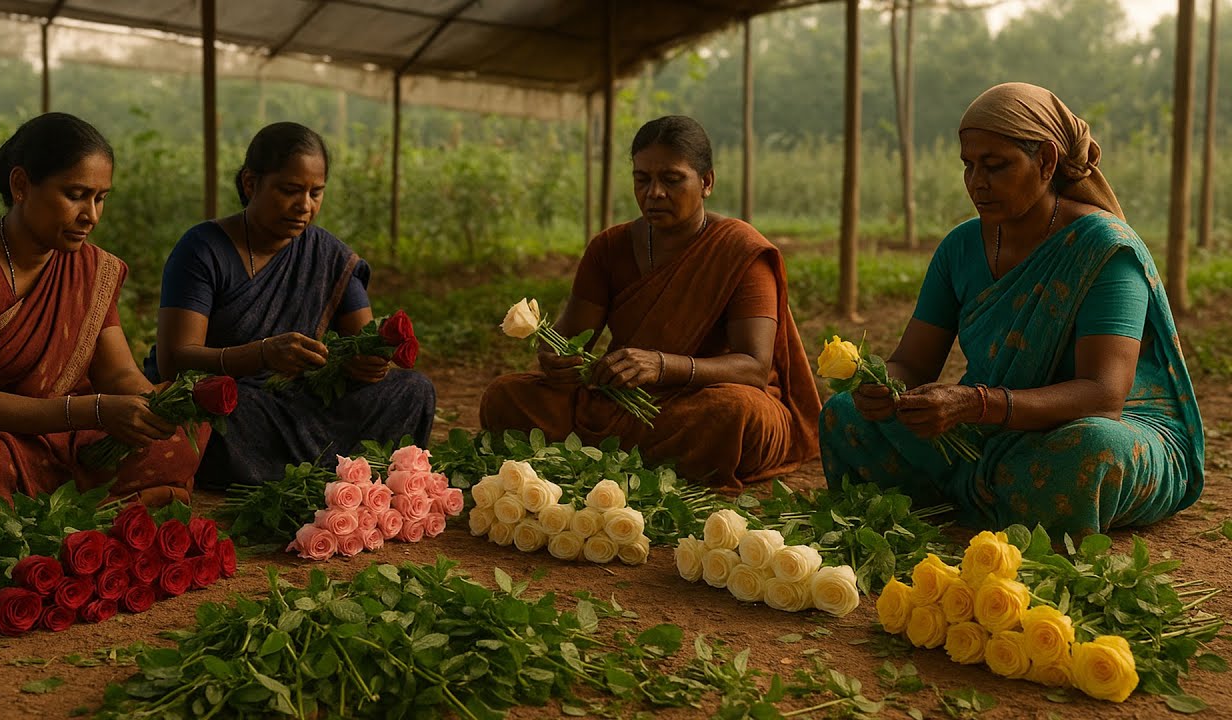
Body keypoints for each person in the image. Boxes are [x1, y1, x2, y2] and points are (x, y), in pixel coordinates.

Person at [819, 83, 1203, 539]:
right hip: (992, 427)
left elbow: (1103, 396)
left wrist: (974, 403)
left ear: (1045, 162)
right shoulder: (961, 247)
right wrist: (883, 387)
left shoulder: (1103, 250)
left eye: (996, 166)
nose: (977, 182)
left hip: (1106, 428)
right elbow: (914, 362)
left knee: (1090, 450)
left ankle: (973, 494)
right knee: (846, 416)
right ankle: (998, 496)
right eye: (969, 165)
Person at [480, 115, 821, 486]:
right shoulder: (609, 248)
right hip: (622, 400)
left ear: (706, 182)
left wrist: (662, 366)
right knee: (506, 395)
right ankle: (643, 459)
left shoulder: (739, 250)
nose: (654, 193)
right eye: (642, 180)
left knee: (735, 413)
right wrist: (553, 352)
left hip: (703, 400)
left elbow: (753, 367)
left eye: (671, 180)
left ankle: (603, 455)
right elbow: (573, 334)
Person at [147, 122, 435, 488]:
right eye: (290, 190)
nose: (305, 206)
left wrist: (368, 363)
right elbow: (174, 360)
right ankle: (330, 468)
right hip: (240, 405)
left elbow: (363, 343)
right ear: (251, 184)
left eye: (316, 192)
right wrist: (262, 355)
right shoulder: (203, 249)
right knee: (209, 417)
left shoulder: (328, 255)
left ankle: (323, 470)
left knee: (413, 390)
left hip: (303, 402)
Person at [0, 112, 205, 507]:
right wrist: (95, 411)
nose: (91, 215)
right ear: (20, 185)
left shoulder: (92, 268)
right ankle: (109, 503)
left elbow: (117, 371)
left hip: (65, 437)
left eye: (100, 198)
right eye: (75, 195)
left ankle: (82, 503)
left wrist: (155, 407)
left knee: (182, 435)